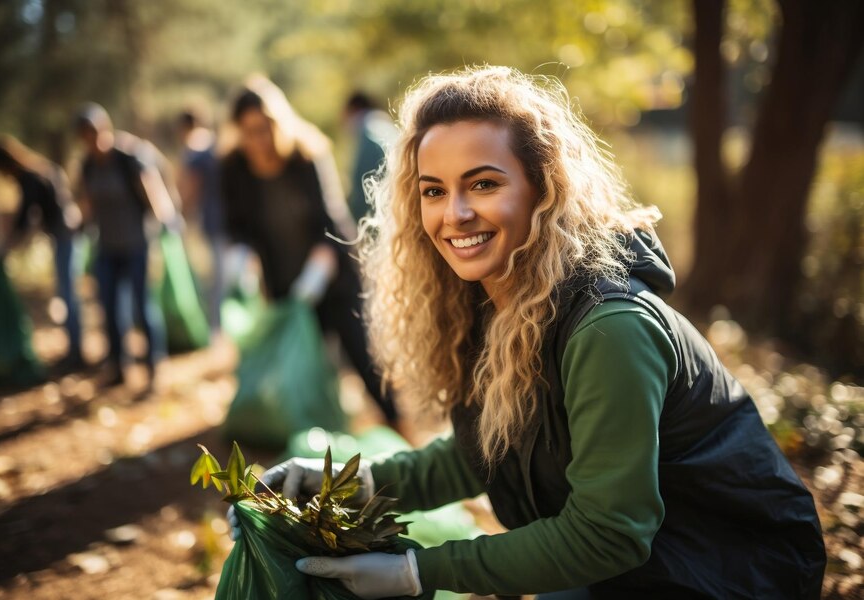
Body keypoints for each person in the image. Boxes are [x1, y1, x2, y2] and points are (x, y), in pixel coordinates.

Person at [246, 67, 826, 599]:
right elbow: (483, 454)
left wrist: (417, 573)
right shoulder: (494, 302)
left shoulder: (609, 329)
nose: (455, 213)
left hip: (731, 571)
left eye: (483, 184)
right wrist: (345, 486)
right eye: (434, 190)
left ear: (542, 188)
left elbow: (608, 535)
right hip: (642, 562)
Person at [220, 75, 399, 426]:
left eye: (265, 128)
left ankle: (395, 421)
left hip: (330, 277)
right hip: (283, 285)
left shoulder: (307, 154)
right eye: (249, 131)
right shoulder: (233, 168)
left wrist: (316, 274)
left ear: (278, 122)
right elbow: (237, 225)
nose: (259, 140)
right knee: (305, 366)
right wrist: (240, 258)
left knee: (362, 356)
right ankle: (323, 434)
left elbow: (330, 221)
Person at [74, 103, 177, 389]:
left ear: (105, 128)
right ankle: (118, 365)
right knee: (108, 306)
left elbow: (153, 192)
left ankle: (154, 366)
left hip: (137, 245)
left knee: (142, 306)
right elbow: (86, 202)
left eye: (94, 133)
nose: (91, 140)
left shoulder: (129, 157)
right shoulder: (88, 165)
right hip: (106, 246)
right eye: (85, 135)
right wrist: (79, 226)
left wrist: (166, 224)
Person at [0, 136, 84, 369]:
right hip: (66, 233)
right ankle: (74, 350)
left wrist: (8, 245)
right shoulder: (39, 169)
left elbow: (26, 217)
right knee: (66, 292)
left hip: (65, 236)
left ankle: (76, 353)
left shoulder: (29, 176)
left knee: (68, 293)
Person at [176, 107, 226, 334]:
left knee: (212, 280)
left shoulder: (194, 150)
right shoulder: (217, 144)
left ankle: (214, 326)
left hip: (209, 223)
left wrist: (181, 216)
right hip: (226, 221)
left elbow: (190, 189)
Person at [342, 92, 397, 223]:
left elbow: (362, 187)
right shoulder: (387, 128)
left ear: (353, 110)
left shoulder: (367, 134)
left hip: (380, 220)